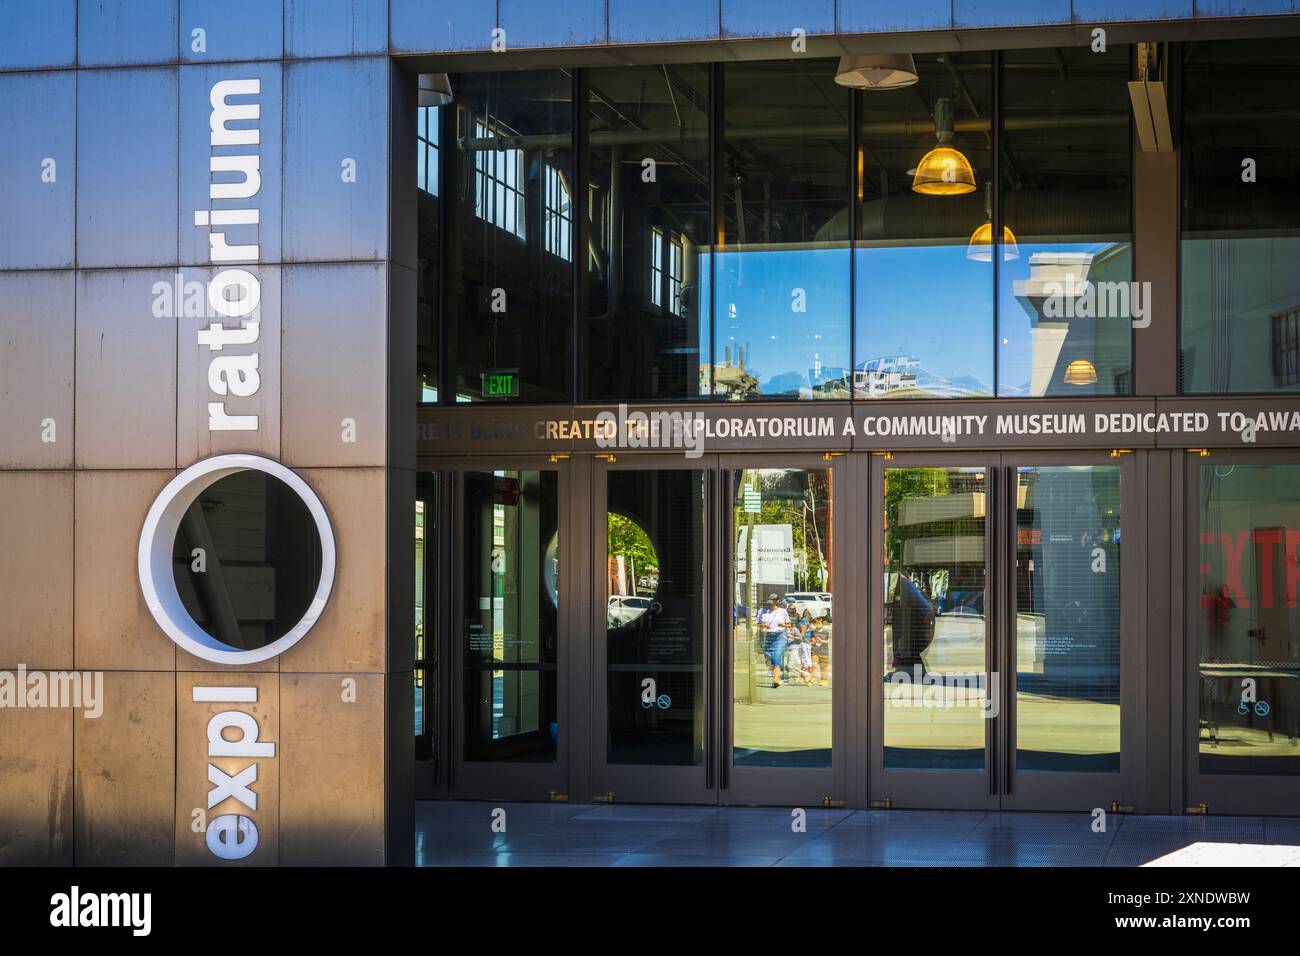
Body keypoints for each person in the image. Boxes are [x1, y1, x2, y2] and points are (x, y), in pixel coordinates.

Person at [890, 571, 936, 677]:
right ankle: (916, 675)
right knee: (911, 654)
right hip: (918, 625)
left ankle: (911, 674)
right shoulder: (908, 585)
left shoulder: (904, 584)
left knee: (909, 653)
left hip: (914, 626)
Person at [756, 593, 790, 688]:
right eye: (772, 600)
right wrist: (763, 626)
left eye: (775, 600)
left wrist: (782, 625)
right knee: (769, 657)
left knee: (777, 655)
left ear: (778, 601)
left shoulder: (783, 611)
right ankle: (777, 675)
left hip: (780, 636)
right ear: (769, 600)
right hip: (768, 635)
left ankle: (776, 679)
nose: (774, 602)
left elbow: (788, 624)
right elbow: (757, 624)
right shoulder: (762, 611)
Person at [810, 616, 831, 687]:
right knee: (814, 665)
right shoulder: (812, 632)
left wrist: (823, 641)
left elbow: (830, 640)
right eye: (815, 623)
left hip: (824, 652)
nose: (817, 625)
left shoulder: (826, 632)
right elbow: (811, 641)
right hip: (815, 652)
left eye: (818, 623)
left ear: (822, 624)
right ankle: (813, 678)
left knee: (824, 667)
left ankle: (824, 681)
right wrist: (813, 642)